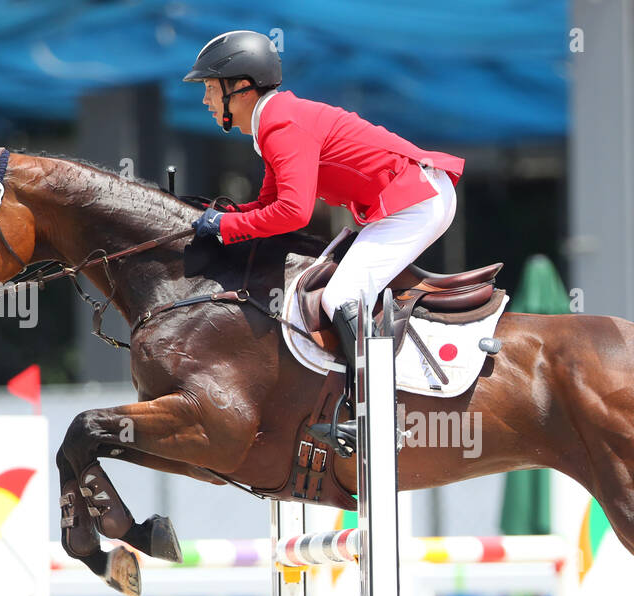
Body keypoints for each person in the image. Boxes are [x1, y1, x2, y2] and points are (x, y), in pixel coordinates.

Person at [183, 30, 464, 373]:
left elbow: (293, 213)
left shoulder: (281, 124)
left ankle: (376, 416)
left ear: (241, 87)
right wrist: (216, 215)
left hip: (417, 202)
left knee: (340, 297)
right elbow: (268, 202)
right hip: (414, 199)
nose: (205, 101)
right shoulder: (274, 120)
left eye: (210, 88)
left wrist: (225, 225)